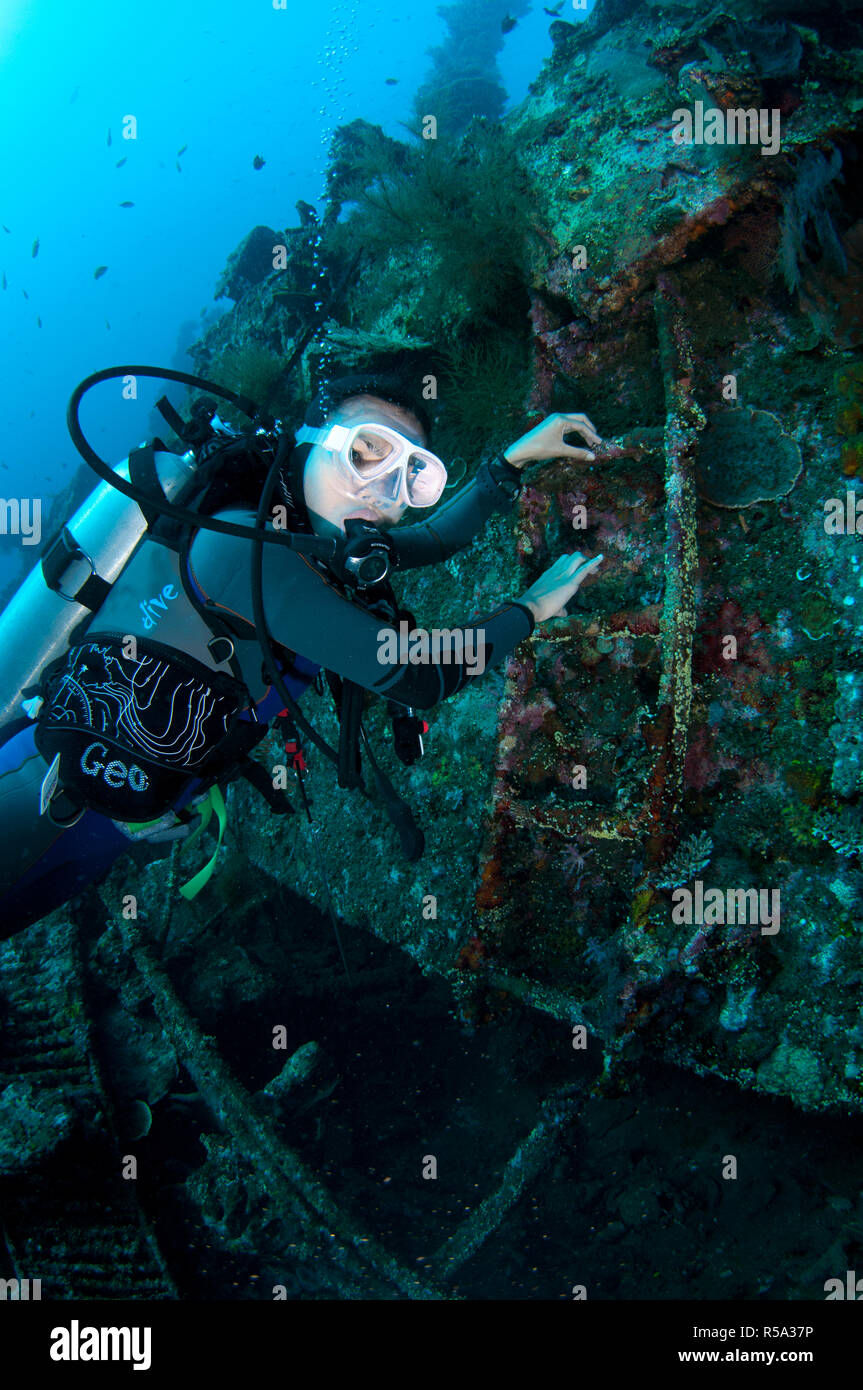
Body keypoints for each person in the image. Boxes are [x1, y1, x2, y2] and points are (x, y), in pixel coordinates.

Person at [0, 370, 602, 937]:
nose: (386, 494)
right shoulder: (249, 551)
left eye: (414, 475)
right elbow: (419, 677)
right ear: (311, 440)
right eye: (368, 452)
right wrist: (531, 609)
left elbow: (430, 538)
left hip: (108, 808)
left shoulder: (298, 519)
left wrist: (510, 462)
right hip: (40, 802)